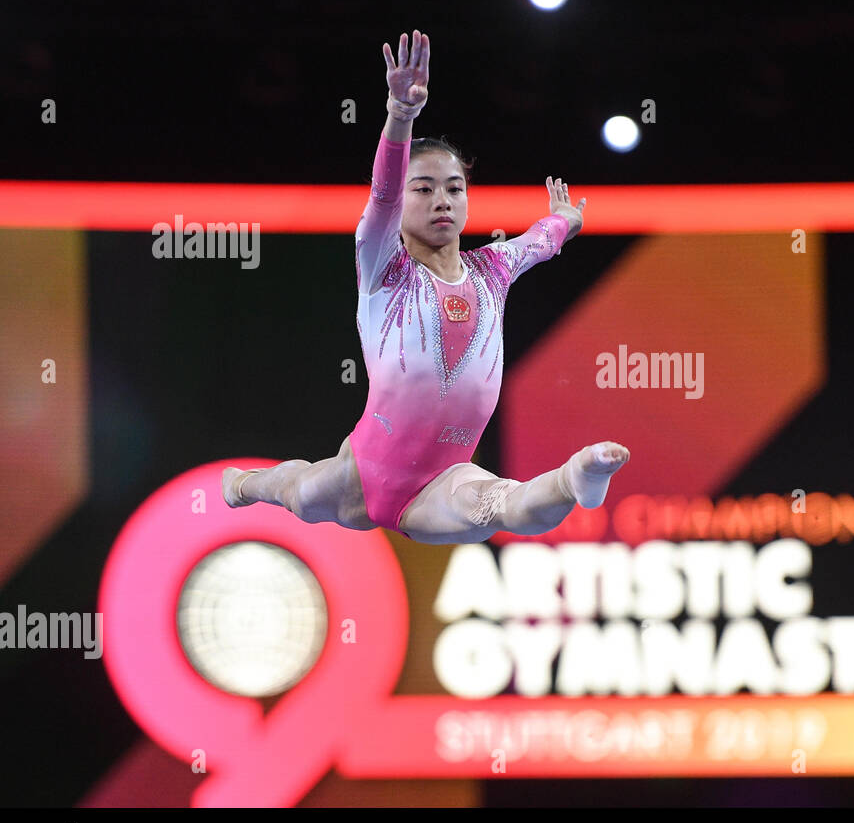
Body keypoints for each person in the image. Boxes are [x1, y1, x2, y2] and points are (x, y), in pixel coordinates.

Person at [222, 28, 628, 544]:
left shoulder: (491, 271)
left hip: (443, 480)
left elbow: (537, 241)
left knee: (501, 506)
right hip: (367, 477)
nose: (442, 199)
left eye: (454, 188)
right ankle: (246, 484)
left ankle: (579, 475)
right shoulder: (384, 268)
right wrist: (401, 114)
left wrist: (565, 221)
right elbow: (383, 196)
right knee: (299, 494)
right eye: (425, 188)